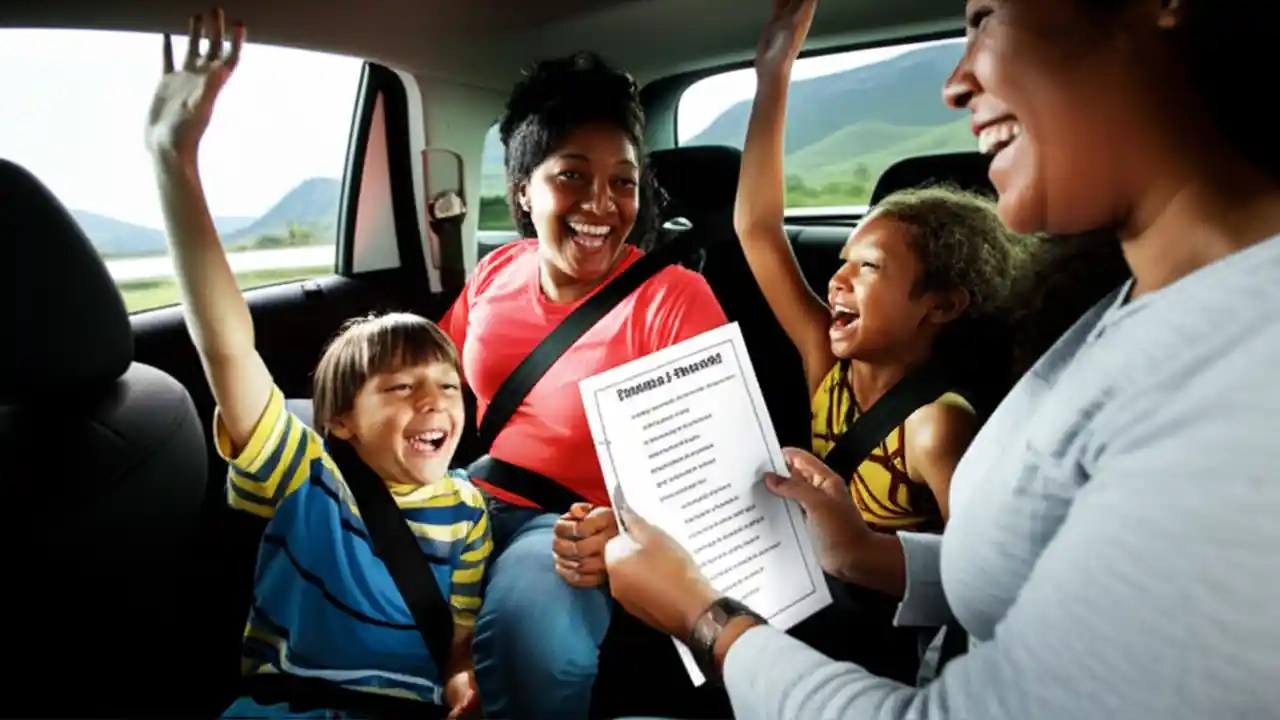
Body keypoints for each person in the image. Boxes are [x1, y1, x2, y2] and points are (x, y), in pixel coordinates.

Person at [604, 0, 1280, 717]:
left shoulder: (1241, 386)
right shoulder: (1120, 314)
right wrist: (856, 546)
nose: (955, 83)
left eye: (986, 17)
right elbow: (1011, 571)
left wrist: (707, 619)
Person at [148, 11, 490, 718]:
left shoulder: (467, 511)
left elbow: (460, 633)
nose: (435, 402)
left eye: (448, 387)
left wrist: (463, 674)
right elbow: (227, 345)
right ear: (339, 420)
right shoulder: (305, 478)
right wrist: (174, 162)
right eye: (400, 387)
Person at [438, 53, 728, 718]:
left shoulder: (673, 298)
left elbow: (715, 474)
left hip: (576, 525)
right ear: (523, 190)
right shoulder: (497, 271)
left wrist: (627, 531)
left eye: (623, 183)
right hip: (470, 495)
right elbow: (435, 375)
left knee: (531, 628)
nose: (601, 205)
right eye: (572, 176)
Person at [734, 0, 1031, 534]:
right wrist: (773, 73)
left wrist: (852, 552)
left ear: (941, 304)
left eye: (869, 267)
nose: (837, 280)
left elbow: (974, 574)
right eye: (843, 262)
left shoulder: (936, 426)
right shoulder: (829, 367)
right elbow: (757, 230)